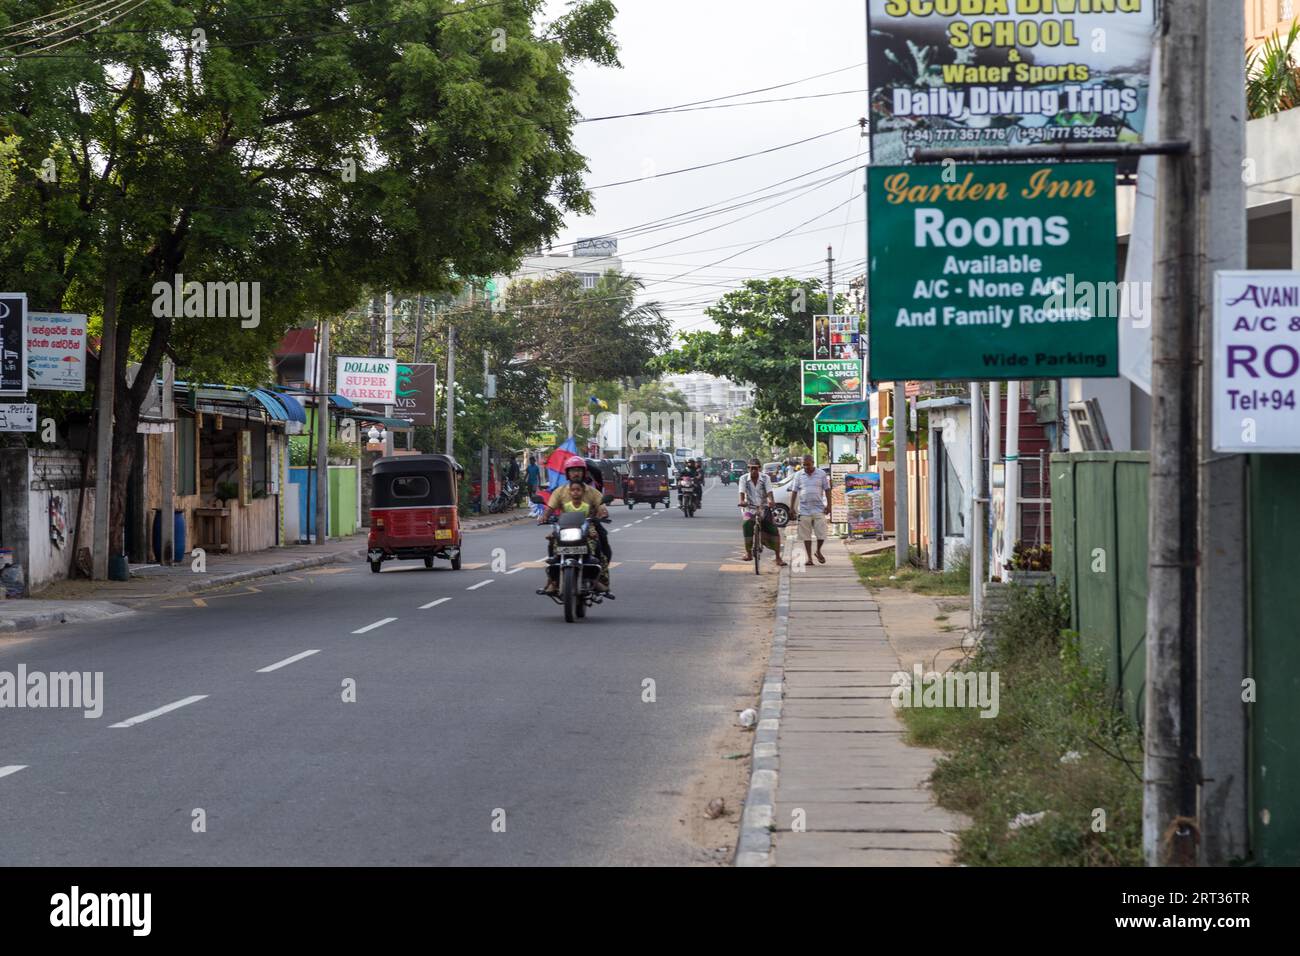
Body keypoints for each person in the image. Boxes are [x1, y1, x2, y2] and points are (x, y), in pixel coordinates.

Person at [542, 456, 611, 593]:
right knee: (552, 546)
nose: (576, 473)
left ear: (584, 472)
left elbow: (601, 507)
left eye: (579, 470)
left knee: (601, 547)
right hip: (565, 528)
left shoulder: (592, 492)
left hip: (588, 526)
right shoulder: (560, 491)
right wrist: (544, 517)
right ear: (568, 473)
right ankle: (553, 581)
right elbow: (549, 509)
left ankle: (598, 580)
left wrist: (602, 513)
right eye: (573, 470)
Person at [738, 458, 785, 567]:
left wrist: (771, 501)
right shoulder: (743, 479)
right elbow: (741, 492)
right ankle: (748, 552)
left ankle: (778, 557)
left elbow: (769, 492)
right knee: (746, 525)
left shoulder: (765, 478)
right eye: (751, 468)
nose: (753, 471)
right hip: (749, 508)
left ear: (759, 468)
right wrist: (742, 501)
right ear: (748, 468)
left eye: (755, 468)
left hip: (763, 508)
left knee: (773, 529)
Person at [789, 454, 831, 565]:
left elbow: (827, 490)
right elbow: (794, 492)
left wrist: (829, 505)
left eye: (808, 464)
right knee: (806, 535)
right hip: (804, 510)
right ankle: (809, 559)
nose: (806, 467)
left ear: (813, 463)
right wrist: (792, 508)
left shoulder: (821, 474)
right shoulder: (798, 475)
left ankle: (818, 551)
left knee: (821, 534)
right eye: (804, 465)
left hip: (818, 509)